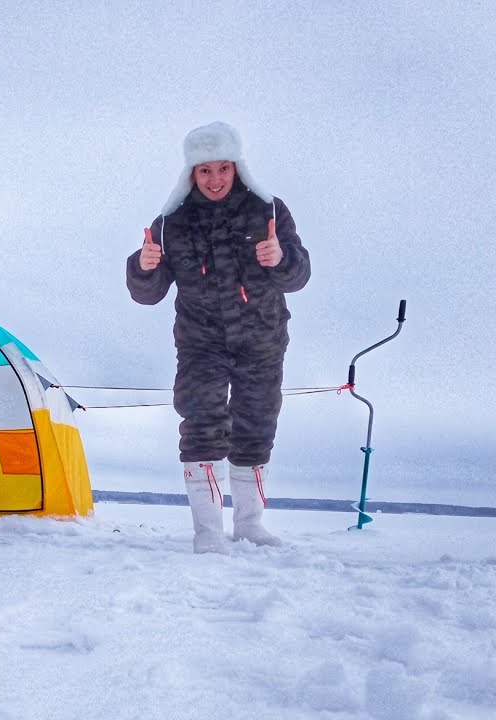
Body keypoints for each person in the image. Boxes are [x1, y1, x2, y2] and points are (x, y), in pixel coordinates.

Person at [126, 121, 311, 554]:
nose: (215, 179)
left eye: (223, 168)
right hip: (200, 343)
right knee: (201, 426)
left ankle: (249, 525)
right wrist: (145, 266)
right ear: (191, 172)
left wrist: (281, 258)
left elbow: (299, 275)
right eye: (205, 170)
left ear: (237, 167)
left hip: (262, 340)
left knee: (256, 428)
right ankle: (208, 533)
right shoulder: (170, 223)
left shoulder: (269, 210)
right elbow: (147, 295)